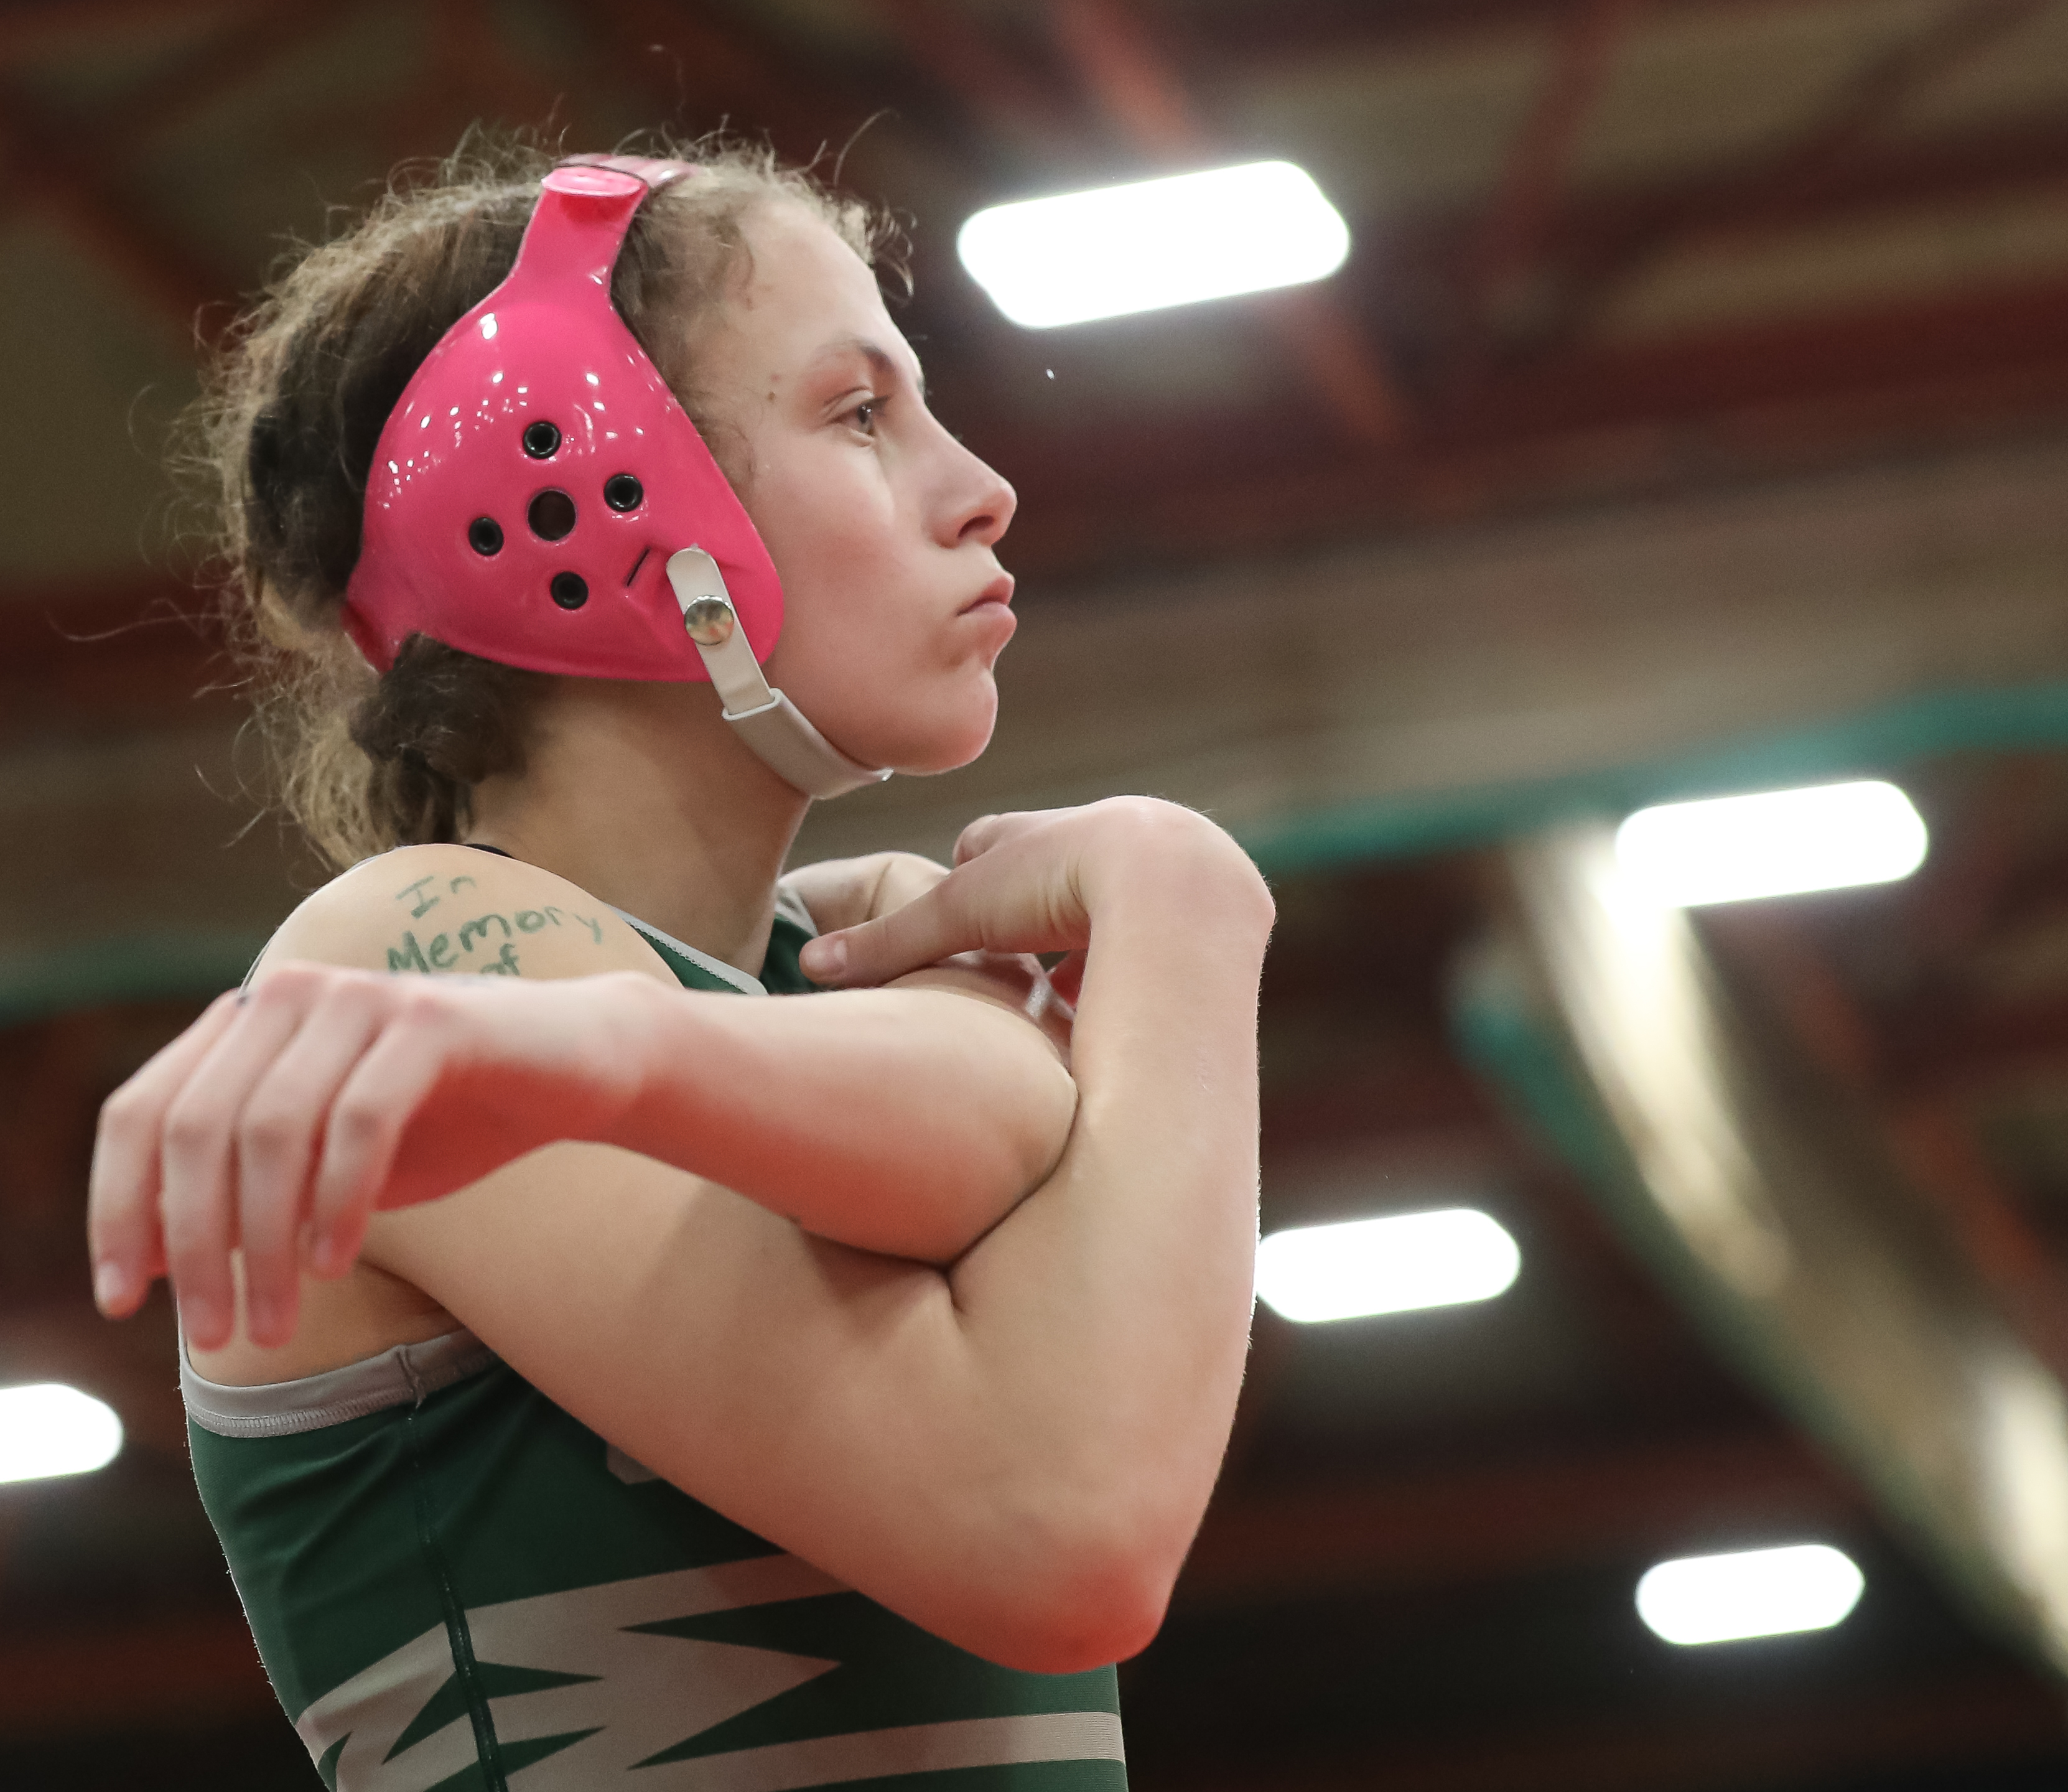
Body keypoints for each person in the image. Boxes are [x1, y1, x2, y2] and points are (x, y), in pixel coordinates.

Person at [83, 137, 1272, 1791]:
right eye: (863, 413)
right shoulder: (412, 956)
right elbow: (1062, 1534)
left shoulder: (860, 969)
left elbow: (980, 1110)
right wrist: (1192, 905)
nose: (980, 485)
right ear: (573, 488)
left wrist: (1117, 941)